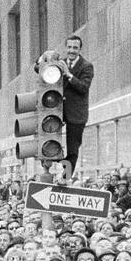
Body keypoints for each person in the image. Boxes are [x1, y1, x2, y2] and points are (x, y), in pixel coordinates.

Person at [34, 35, 94, 176]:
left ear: (80, 49)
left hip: (76, 114)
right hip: (57, 110)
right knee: (47, 137)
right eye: (69, 47)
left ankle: (65, 177)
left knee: (72, 149)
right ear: (66, 48)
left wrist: (68, 74)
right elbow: (38, 68)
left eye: (75, 48)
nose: (72, 51)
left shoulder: (87, 66)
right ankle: (49, 163)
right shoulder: (59, 63)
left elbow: (84, 87)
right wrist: (43, 57)